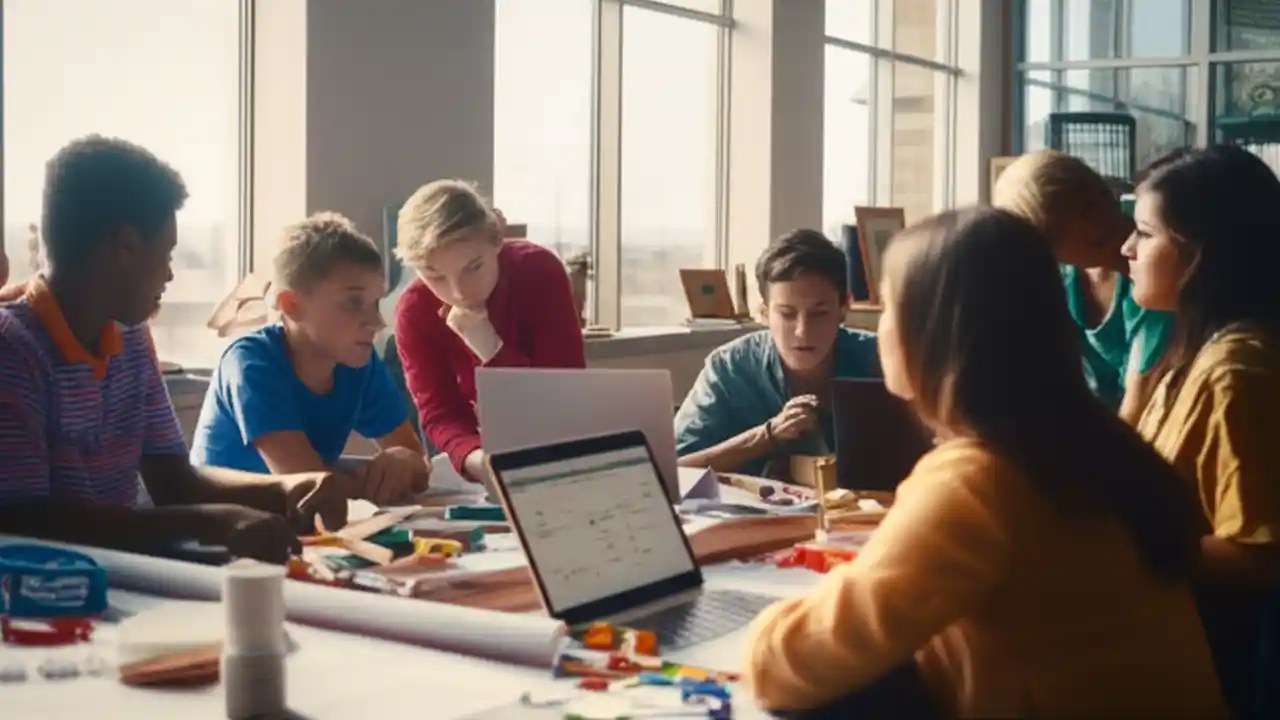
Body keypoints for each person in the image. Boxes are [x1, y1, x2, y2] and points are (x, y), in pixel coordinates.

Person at [744, 208, 1225, 717]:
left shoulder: (978, 480)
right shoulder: (1083, 443)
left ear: (935, 333)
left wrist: (760, 619)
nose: (877, 329)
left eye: (888, 309)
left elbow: (783, 665)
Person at [0, 136, 352, 564]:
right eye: (166, 253)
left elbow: (174, 482)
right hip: (42, 593)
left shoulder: (130, 340)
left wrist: (285, 488)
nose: (168, 274)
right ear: (126, 247)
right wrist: (207, 522)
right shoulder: (13, 349)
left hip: (126, 577)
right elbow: (24, 520)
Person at [1127, 145, 1280, 717]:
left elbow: (1258, 558)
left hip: (1217, 668)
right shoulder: (1192, 352)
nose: (1127, 250)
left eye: (1144, 233)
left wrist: (1109, 549)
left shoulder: (1240, 370)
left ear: (1201, 255)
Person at [189, 213, 429, 504]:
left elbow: (418, 466)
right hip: (225, 527)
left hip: (299, 525)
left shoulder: (358, 363)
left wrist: (404, 462)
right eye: (354, 302)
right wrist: (374, 476)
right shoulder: (251, 364)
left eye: (375, 303)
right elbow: (309, 485)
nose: (377, 321)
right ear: (292, 306)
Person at [393, 180, 584, 489]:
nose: (458, 292)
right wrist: (480, 461)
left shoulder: (538, 271)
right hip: (477, 466)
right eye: (435, 276)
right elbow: (440, 414)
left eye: (473, 267)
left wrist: (491, 349)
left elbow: (562, 396)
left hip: (560, 454)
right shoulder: (415, 310)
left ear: (496, 237)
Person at [675, 230, 879, 478]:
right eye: (787, 314)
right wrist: (767, 436)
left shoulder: (881, 360)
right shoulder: (729, 369)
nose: (803, 332)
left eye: (819, 313)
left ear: (844, 307)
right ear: (763, 313)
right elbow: (674, 469)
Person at [993, 150, 1173, 421]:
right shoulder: (1062, 281)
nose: (1092, 225)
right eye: (1061, 227)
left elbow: (1138, 404)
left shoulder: (1154, 260)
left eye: (1092, 203)